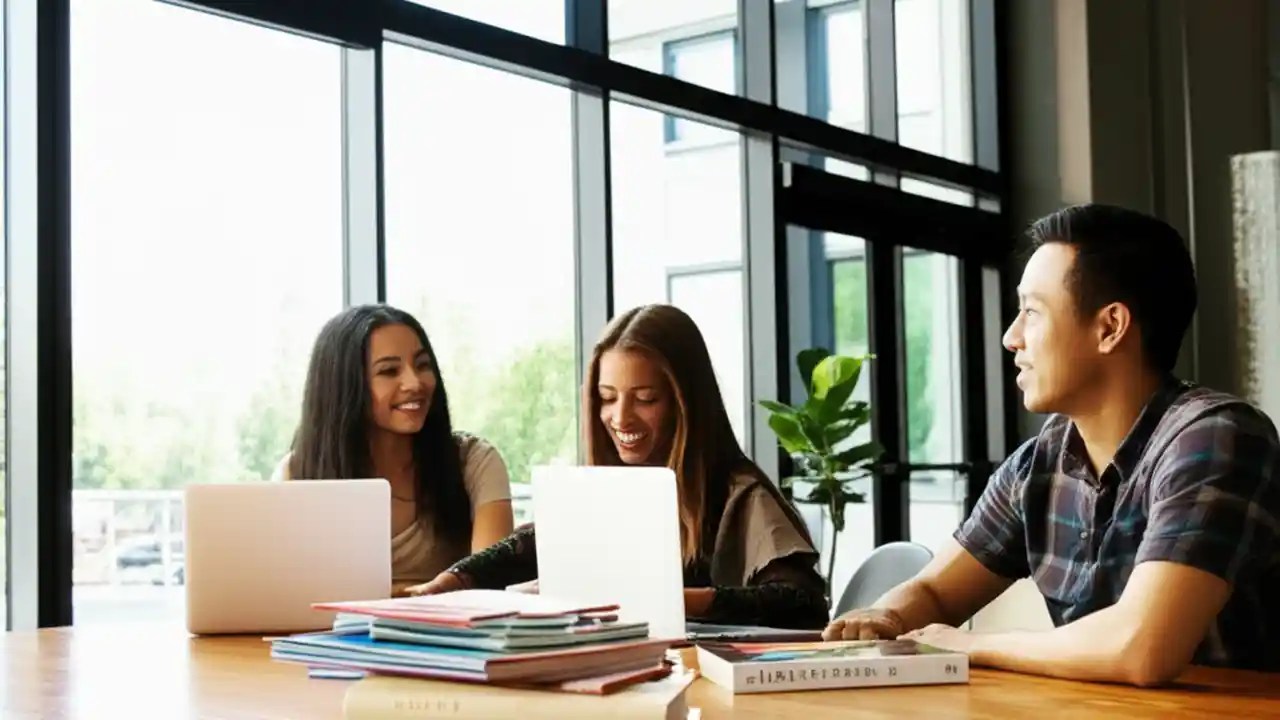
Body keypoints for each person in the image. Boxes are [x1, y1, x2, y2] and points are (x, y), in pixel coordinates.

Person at [824, 204, 1280, 684]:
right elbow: (935, 591)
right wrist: (888, 617)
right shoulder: (1039, 465)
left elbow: (1142, 646)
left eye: (1031, 312)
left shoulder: (1217, 439)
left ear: (1110, 327)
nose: (1010, 337)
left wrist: (969, 646)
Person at [406, 304, 830, 630]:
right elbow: (534, 546)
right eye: (607, 398)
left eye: (645, 399)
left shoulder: (741, 492)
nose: (620, 418)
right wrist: (451, 582)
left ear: (686, 401)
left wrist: (668, 599)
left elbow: (803, 604)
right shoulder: (613, 486)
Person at [272, 304, 514, 596]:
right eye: (389, 371)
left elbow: (487, 586)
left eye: (423, 365)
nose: (415, 382)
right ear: (345, 387)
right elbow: (294, 593)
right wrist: (409, 592)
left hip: (447, 637)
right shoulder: (298, 473)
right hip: (333, 637)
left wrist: (383, 594)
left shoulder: (474, 462)